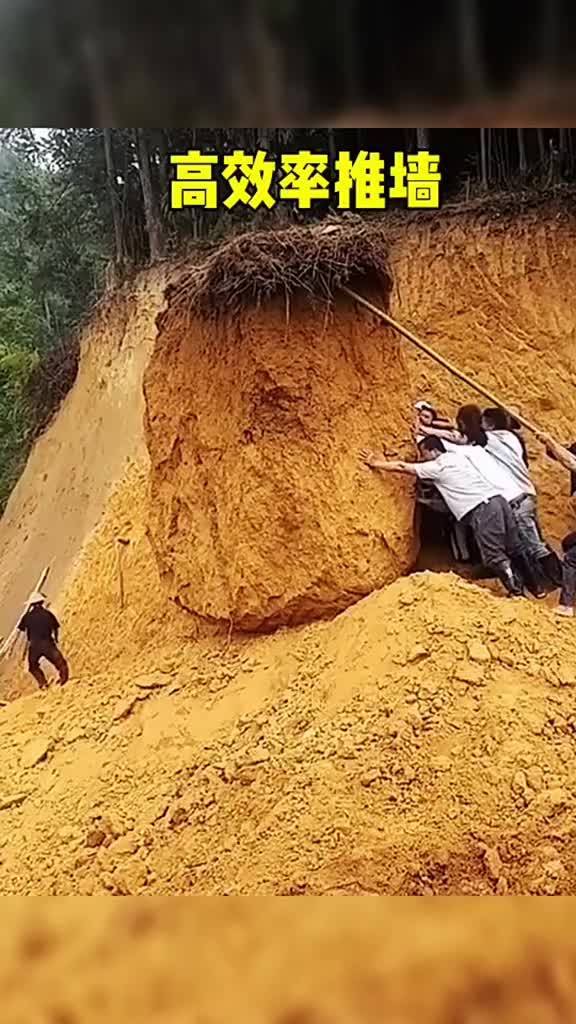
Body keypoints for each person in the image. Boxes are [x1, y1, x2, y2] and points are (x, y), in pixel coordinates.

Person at [361, 436, 525, 597]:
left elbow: (402, 466)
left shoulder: (437, 467)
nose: (424, 459)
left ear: (432, 451)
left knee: (493, 554)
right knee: (513, 546)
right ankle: (531, 585)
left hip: (483, 509)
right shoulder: (457, 458)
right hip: (499, 501)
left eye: (424, 454)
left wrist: (375, 463)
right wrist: (421, 499)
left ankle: (515, 591)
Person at [18, 592, 69, 689]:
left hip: (34, 645)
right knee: (61, 663)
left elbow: (22, 630)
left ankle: (43, 683)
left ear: (31, 604)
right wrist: (56, 640)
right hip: (48, 643)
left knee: (33, 667)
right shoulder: (48, 614)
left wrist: (24, 650)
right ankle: (63, 681)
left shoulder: (27, 616)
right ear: (42, 602)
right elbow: (56, 628)